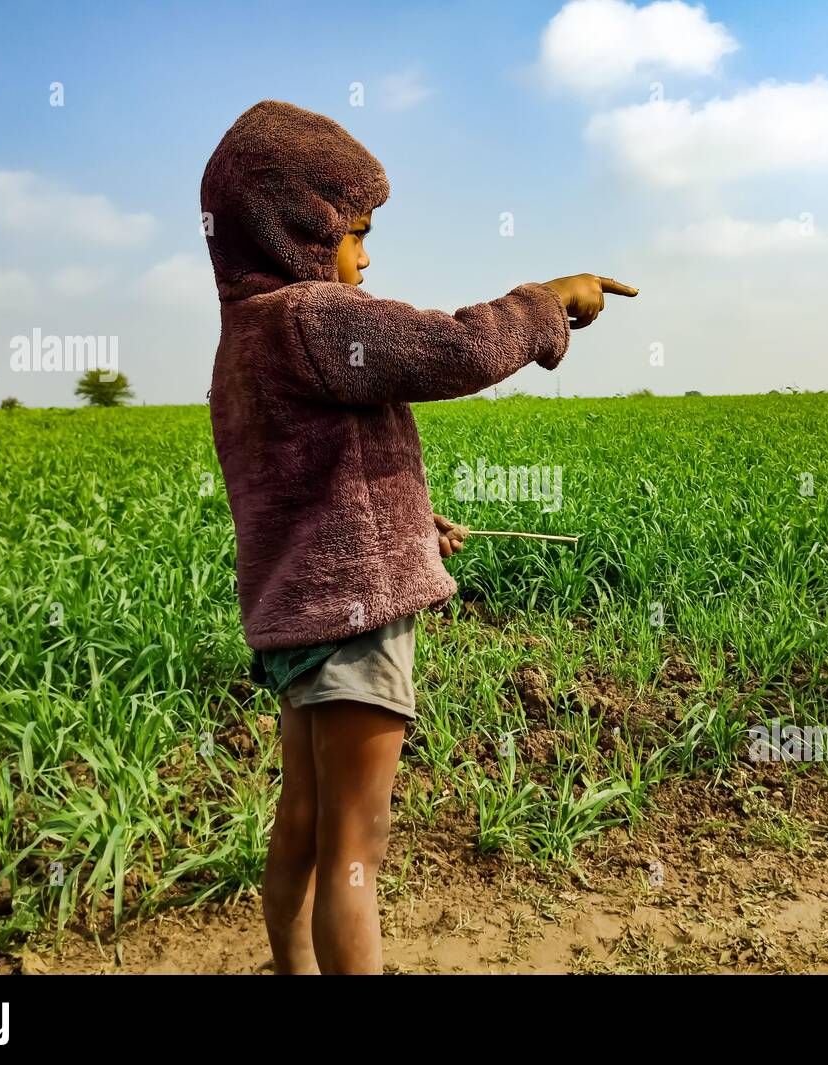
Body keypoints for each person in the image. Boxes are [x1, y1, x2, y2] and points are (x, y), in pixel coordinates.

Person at [201, 99, 637, 974]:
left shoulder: (243, 343)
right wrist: (544, 303)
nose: (366, 257)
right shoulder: (313, 315)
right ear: (294, 229)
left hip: (297, 623)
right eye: (355, 232)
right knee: (358, 845)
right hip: (355, 623)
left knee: (304, 823)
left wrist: (411, 527)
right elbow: (453, 350)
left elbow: (304, 490)